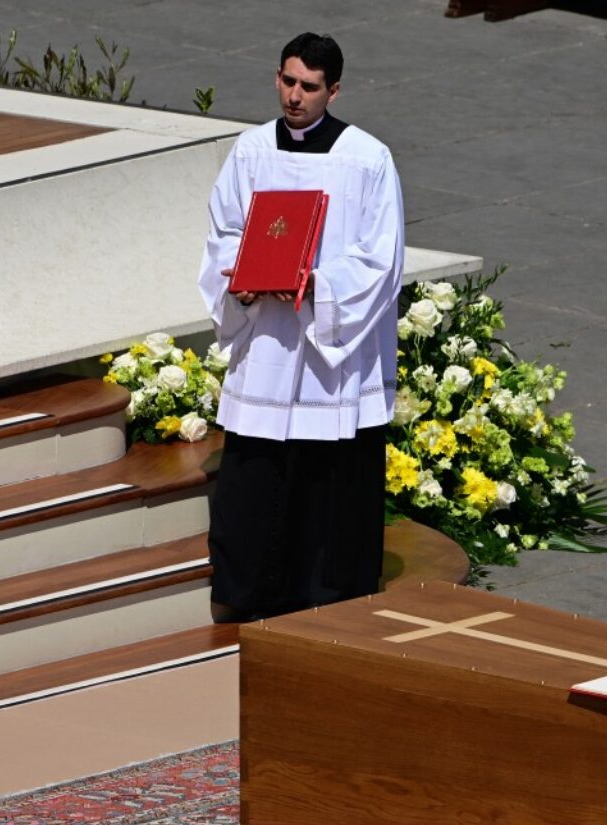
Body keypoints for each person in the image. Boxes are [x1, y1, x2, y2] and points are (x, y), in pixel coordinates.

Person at [197, 32, 405, 621]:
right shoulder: (251, 152)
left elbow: (381, 258)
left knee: (325, 482)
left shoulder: (367, 159)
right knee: (257, 478)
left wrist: (316, 284)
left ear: (333, 91)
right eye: (287, 81)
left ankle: (327, 597)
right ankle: (248, 594)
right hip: (268, 340)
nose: (294, 96)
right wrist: (239, 280)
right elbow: (225, 232)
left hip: (327, 355)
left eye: (309, 87)